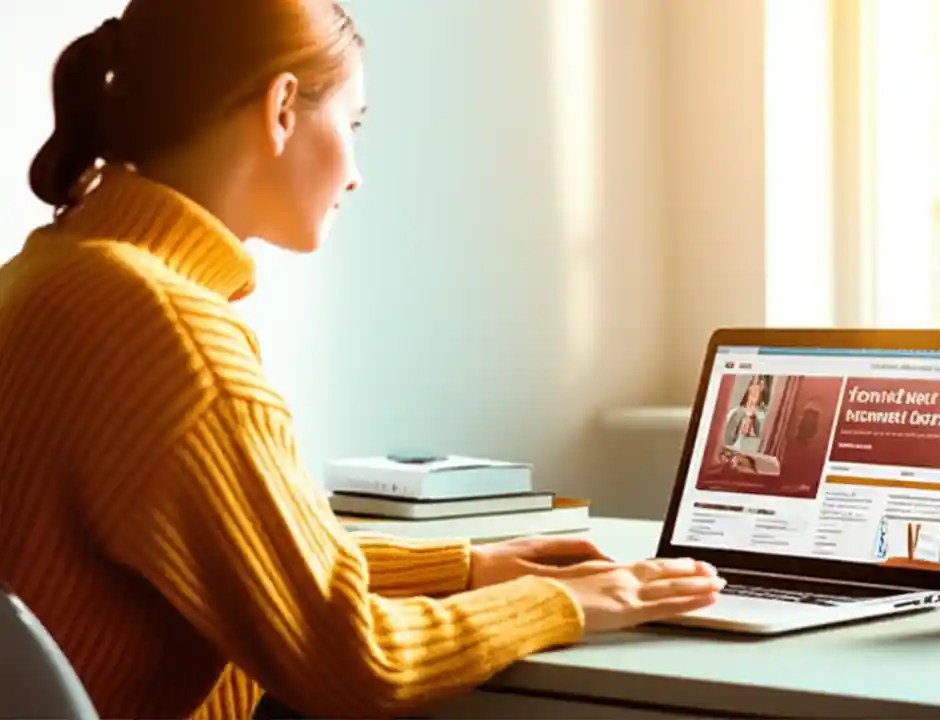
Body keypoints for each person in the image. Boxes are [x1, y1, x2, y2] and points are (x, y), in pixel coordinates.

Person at [0, 2, 723, 718]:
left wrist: (466, 566)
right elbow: (353, 661)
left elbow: (252, 569)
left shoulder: (47, 276)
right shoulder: (169, 332)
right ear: (283, 106)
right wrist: (565, 600)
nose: (355, 173)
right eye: (354, 123)